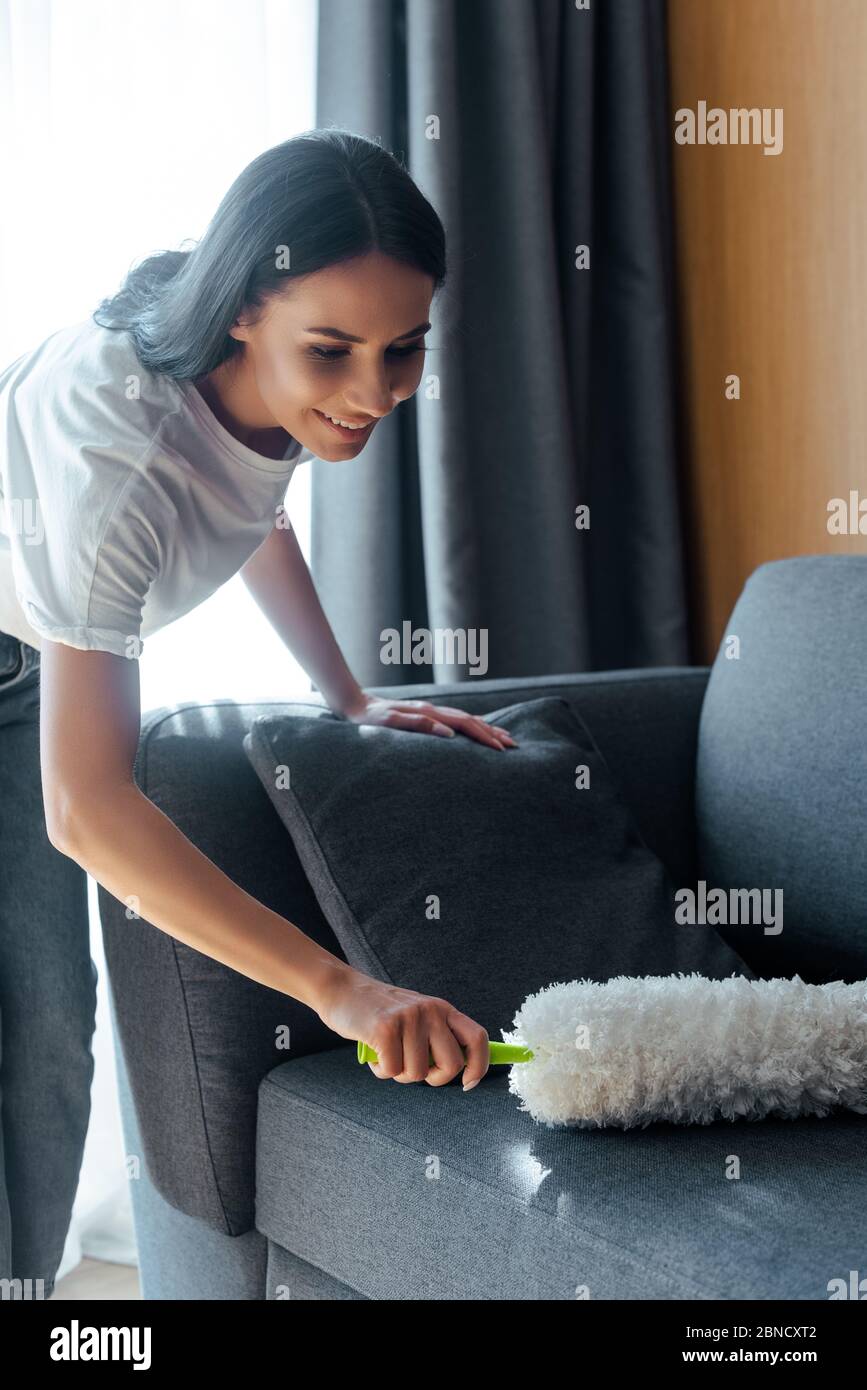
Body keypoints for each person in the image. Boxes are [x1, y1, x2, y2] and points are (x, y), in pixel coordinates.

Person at [0, 128, 517, 1298]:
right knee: (28, 1037)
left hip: (31, 644)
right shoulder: (116, 469)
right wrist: (344, 988)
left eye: (405, 351)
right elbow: (86, 809)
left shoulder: (262, 373)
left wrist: (347, 695)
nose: (373, 396)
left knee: (44, 1044)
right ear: (243, 311)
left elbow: (253, 501)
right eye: (333, 352)